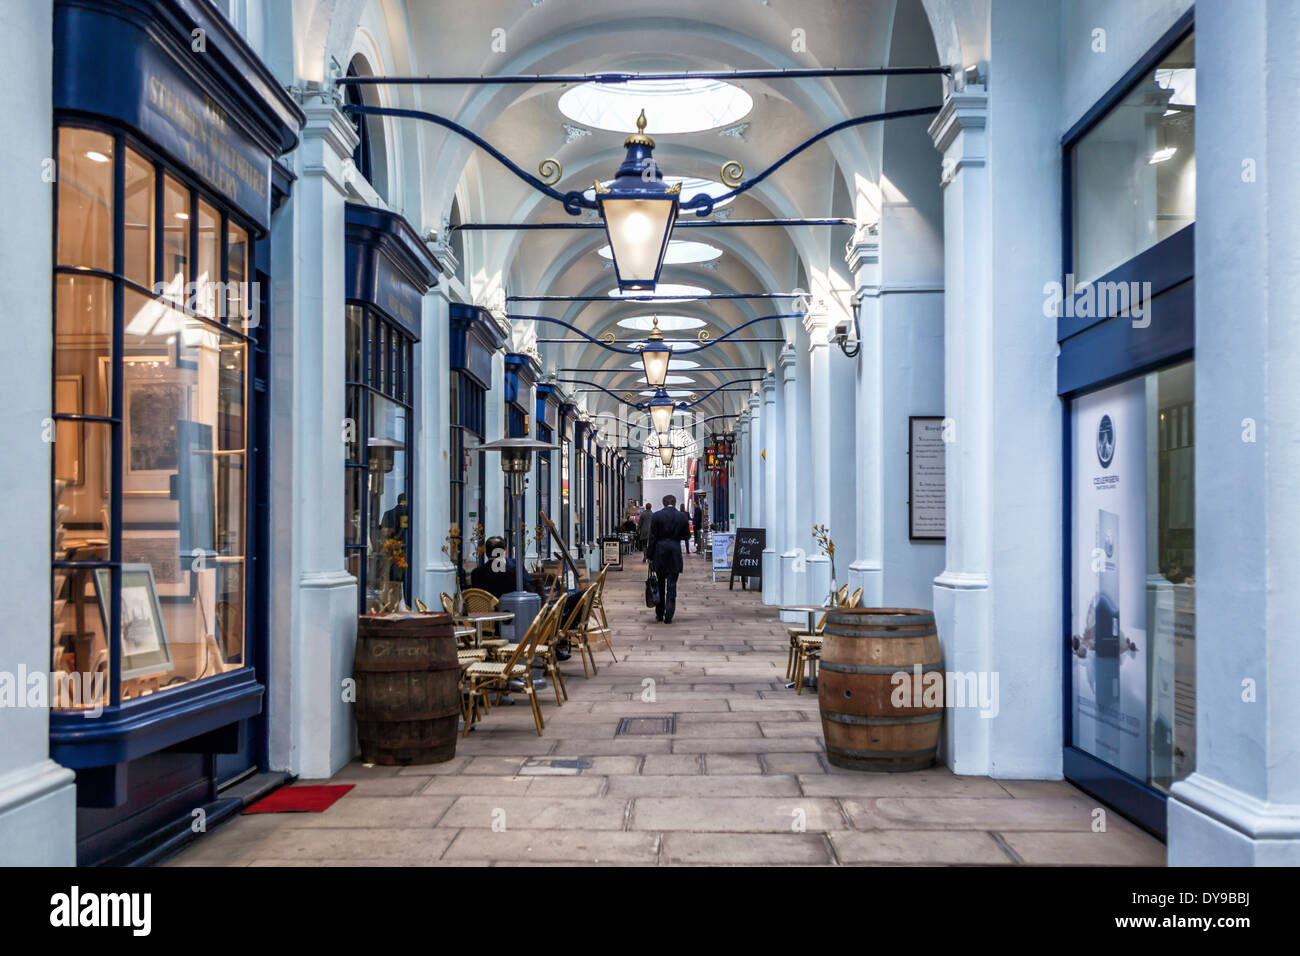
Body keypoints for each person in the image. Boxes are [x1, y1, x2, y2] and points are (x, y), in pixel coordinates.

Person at [645, 494, 691, 623]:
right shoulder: (682, 516)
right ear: (675, 503)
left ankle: (659, 613)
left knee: (660, 583)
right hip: (675, 552)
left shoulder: (657, 516)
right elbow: (687, 536)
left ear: (663, 503)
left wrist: (649, 555)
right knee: (672, 584)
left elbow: (652, 537)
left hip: (659, 552)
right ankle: (669, 614)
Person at [470, 535, 541, 599]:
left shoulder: (476, 573)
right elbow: (529, 589)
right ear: (504, 551)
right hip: (512, 610)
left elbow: (476, 598)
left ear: (486, 553)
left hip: (485, 611)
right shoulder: (515, 568)